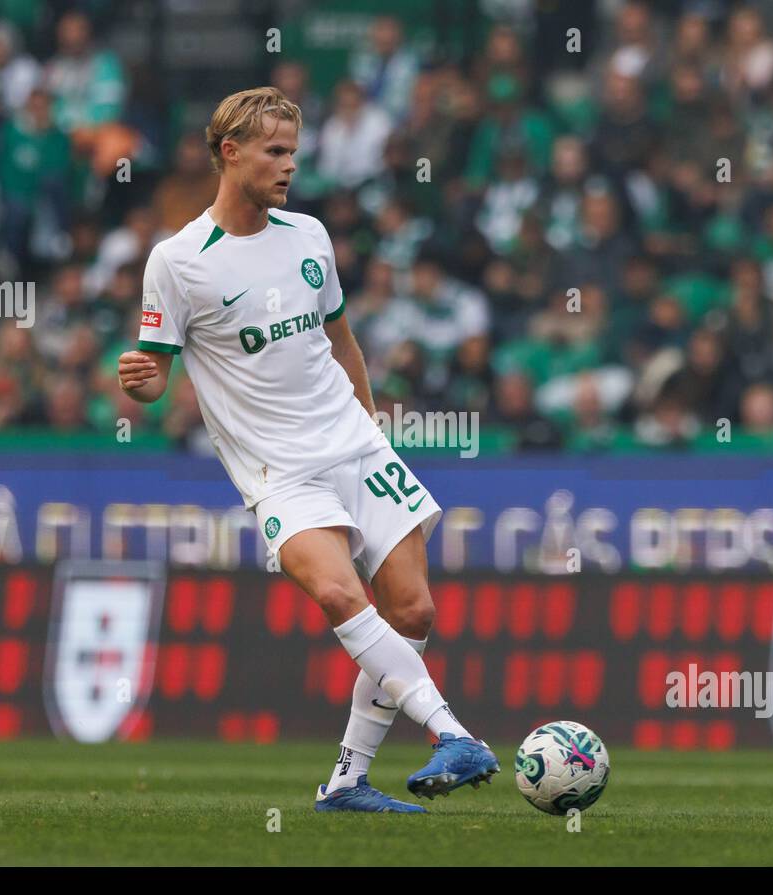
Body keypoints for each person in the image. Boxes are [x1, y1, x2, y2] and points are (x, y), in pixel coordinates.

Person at [117, 87, 498, 813]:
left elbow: (342, 343)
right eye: (275, 152)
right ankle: (453, 732)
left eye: (293, 150)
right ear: (230, 154)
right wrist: (137, 382)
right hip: (278, 469)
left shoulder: (310, 236)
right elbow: (154, 378)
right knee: (335, 592)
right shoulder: (179, 260)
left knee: (414, 611)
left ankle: (347, 780)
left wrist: (373, 429)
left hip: (356, 444)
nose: (289, 165)